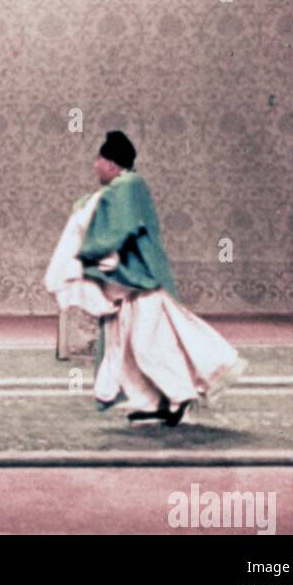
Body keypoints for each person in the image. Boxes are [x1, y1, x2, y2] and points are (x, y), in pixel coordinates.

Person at [68, 131, 247, 426]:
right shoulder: (124, 187)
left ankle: (179, 395)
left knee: (145, 343)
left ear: (112, 164)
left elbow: (112, 226)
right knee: (135, 345)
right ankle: (156, 401)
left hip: (143, 282)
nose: (95, 165)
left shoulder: (128, 185)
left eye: (98, 159)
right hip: (133, 284)